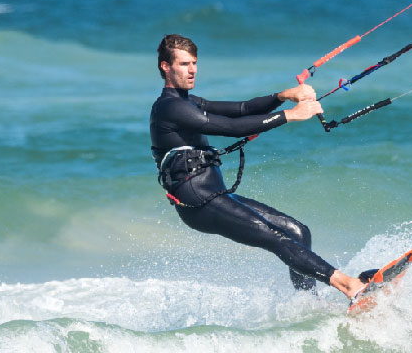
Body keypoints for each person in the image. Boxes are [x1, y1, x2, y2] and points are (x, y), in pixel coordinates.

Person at [150, 34, 370, 303]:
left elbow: (241, 110)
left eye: (194, 63)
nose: (192, 70)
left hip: (214, 195)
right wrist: (290, 115)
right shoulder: (169, 107)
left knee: (298, 232)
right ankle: (348, 285)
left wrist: (283, 96)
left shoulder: (190, 102)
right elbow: (229, 128)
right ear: (165, 67)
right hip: (198, 202)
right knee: (278, 238)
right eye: (184, 64)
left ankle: (309, 304)